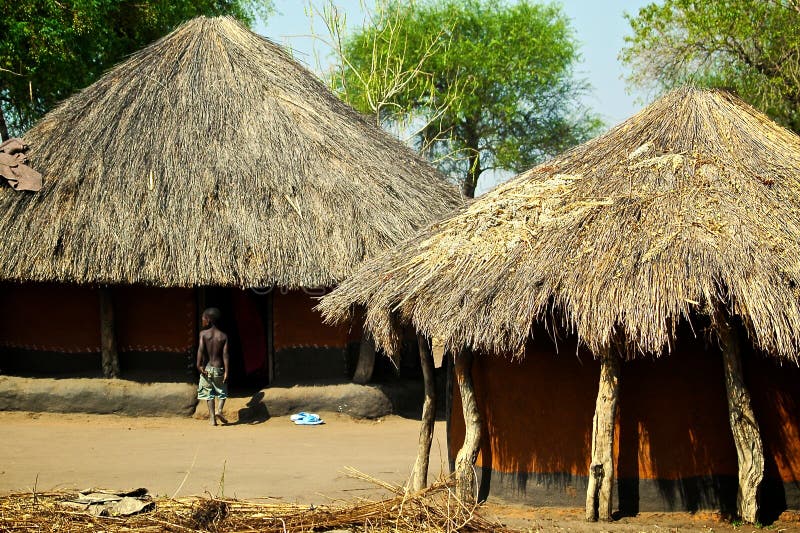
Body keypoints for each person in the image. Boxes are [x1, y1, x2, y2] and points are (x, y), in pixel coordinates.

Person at [196, 307, 230, 426]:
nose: (202, 320)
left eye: (203, 318)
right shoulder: (223, 336)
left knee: (208, 393)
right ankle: (219, 410)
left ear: (208, 320)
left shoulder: (203, 334)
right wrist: (226, 371)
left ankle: (212, 419)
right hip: (219, 368)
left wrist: (198, 365)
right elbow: (225, 355)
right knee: (222, 391)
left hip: (207, 368)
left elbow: (200, 350)